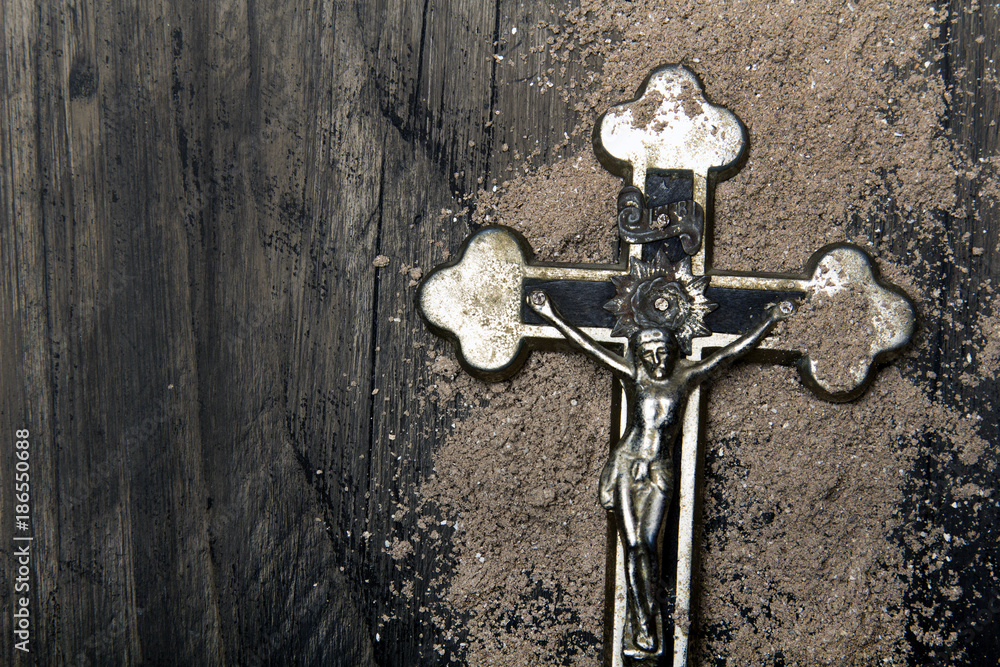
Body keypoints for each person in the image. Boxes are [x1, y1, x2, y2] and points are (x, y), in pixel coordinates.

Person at [527, 289, 794, 655]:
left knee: (648, 545)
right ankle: (642, 625)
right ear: (639, 355)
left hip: (660, 471)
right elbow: (588, 347)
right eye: (649, 353)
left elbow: (732, 353)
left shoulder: (684, 376)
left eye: (664, 352)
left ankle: (646, 617)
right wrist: (551, 315)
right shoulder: (633, 375)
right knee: (635, 545)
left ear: (673, 352)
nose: (657, 360)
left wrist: (770, 320)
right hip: (627, 464)